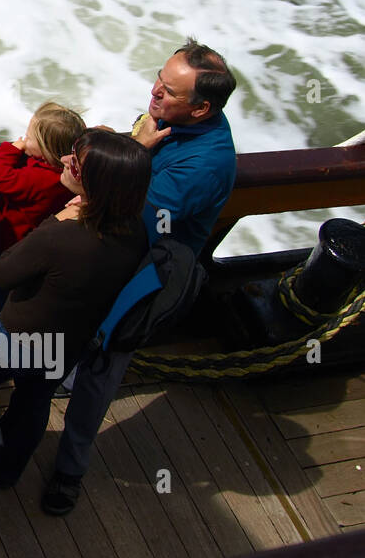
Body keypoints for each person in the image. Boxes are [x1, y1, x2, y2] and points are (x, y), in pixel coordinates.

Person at [43, 38, 237, 515]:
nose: (155, 93)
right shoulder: (172, 117)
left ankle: (70, 468)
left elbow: (132, 217)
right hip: (116, 250)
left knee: (104, 364)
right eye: (159, 79)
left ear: (201, 108)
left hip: (146, 270)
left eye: (169, 92)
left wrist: (128, 151)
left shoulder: (203, 164)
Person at [0, 129, 151, 487]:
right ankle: (5, 471)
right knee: (32, 403)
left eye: (74, 163)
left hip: (16, 334)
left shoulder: (61, 233)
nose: (63, 160)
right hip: (69, 343)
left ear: (95, 183)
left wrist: (55, 221)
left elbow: (3, 273)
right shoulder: (136, 231)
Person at [0, 101, 87, 253]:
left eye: (28, 137)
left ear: (46, 149)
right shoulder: (71, 174)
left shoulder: (39, 178)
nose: (24, 140)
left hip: (17, 237)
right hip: (41, 230)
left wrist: (12, 149)